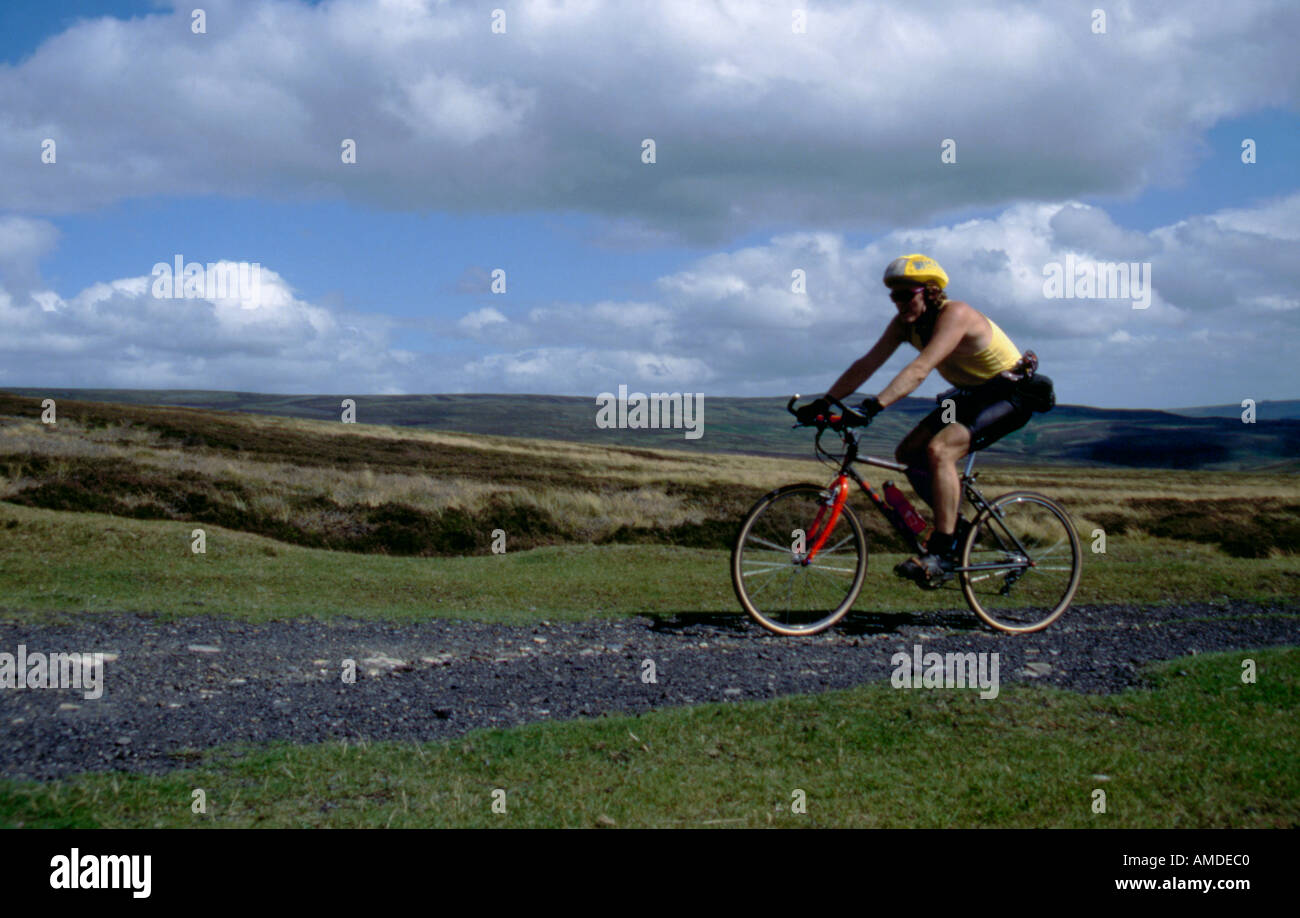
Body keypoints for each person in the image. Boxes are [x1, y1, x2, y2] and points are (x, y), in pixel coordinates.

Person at [795, 254, 1051, 584]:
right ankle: (955, 526)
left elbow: (920, 369)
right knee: (908, 452)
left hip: (1011, 394)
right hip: (972, 396)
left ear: (929, 292)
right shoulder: (905, 324)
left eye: (905, 295)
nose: (898, 303)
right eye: (893, 296)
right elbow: (867, 363)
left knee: (940, 450)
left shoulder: (955, 314)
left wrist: (874, 406)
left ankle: (944, 551)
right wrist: (826, 401)